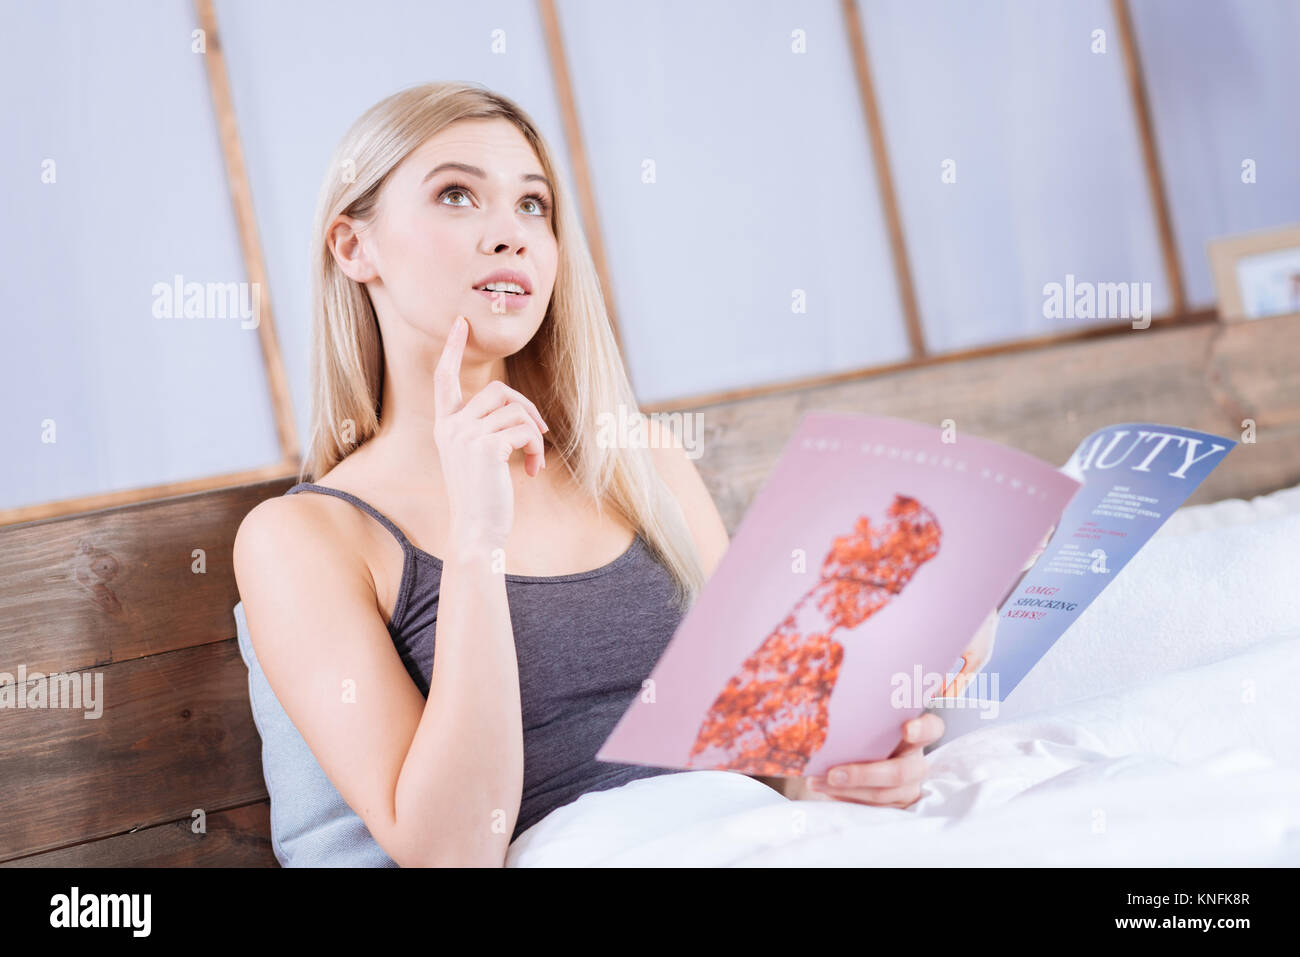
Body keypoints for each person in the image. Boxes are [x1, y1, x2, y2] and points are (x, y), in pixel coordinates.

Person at [233, 81, 944, 868]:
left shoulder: (639, 460)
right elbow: (450, 852)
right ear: (352, 246)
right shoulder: (303, 536)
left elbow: (770, 754)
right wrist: (476, 541)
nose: (511, 234)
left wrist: (840, 773)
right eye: (458, 195)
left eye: (533, 206)